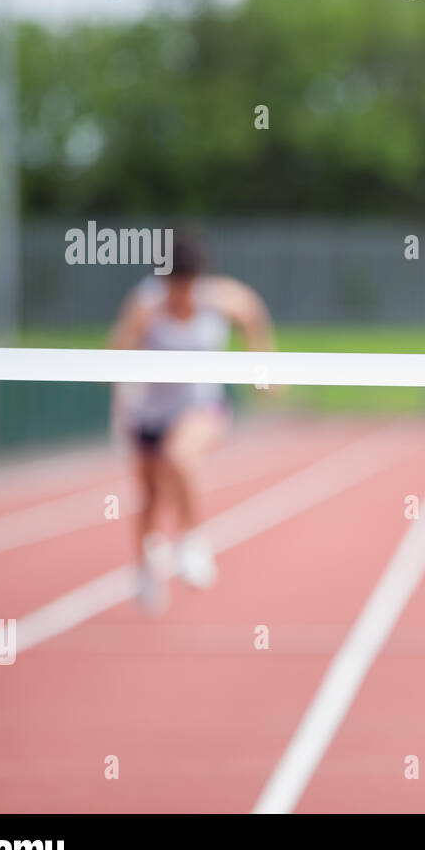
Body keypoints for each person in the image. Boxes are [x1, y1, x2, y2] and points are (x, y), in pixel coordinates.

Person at [109, 228, 276, 614]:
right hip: (150, 414)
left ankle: (192, 540)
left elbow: (252, 313)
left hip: (202, 409)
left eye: (188, 285)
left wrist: (264, 367)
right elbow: (111, 360)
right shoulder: (145, 304)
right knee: (150, 500)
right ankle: (146, 572)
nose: (181, 295)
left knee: (180, 455)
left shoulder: (221, 298)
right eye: (174, 286)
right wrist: (130, 339)